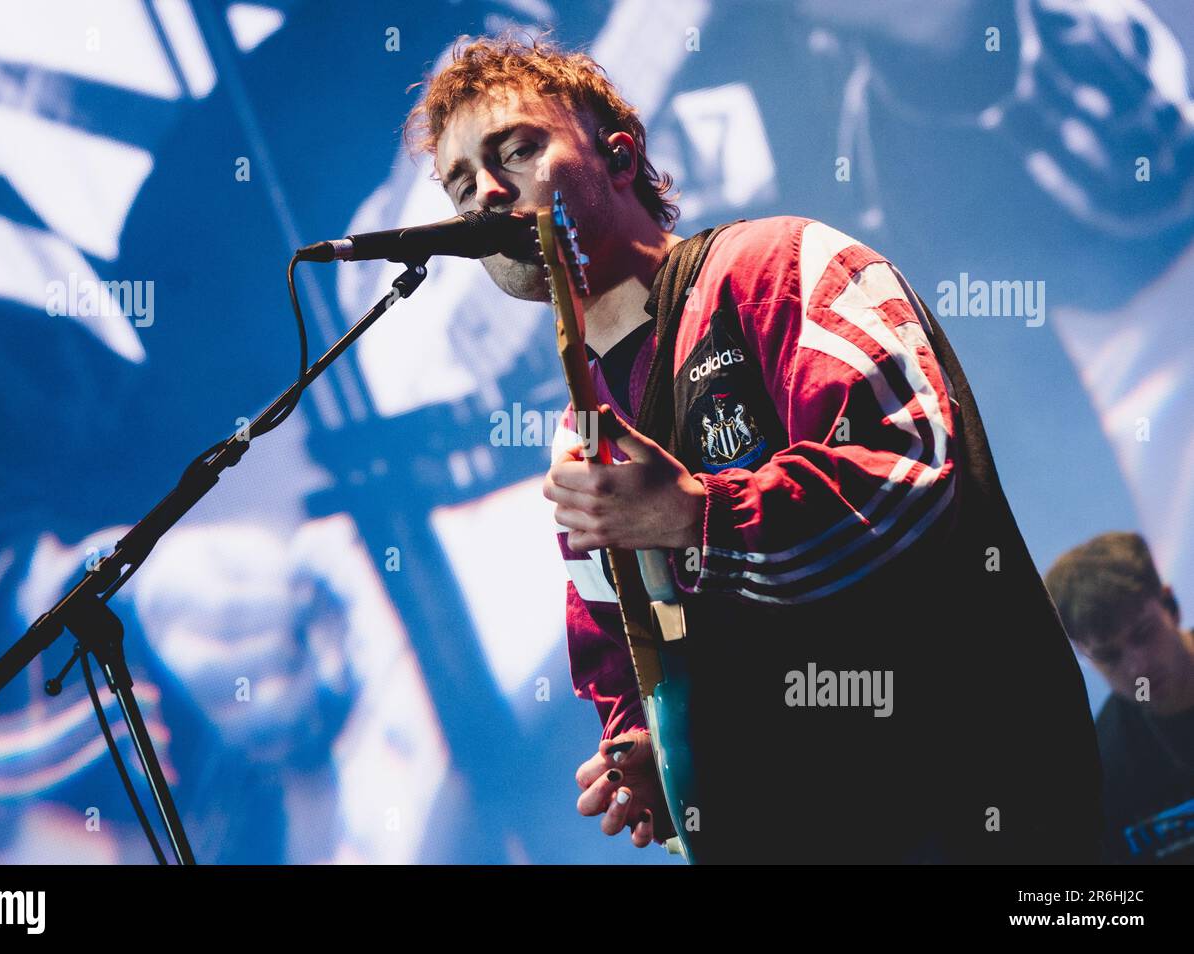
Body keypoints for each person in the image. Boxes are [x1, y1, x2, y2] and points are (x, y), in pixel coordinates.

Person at [404, 32, 1102, 862]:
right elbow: (623, 654)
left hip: (973, 812)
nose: (486, 193)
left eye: (516, 149)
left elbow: (909, 477)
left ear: (619, 157)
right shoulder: (579, 435)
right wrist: (649, 752)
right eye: (459, 185)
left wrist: (700, 517)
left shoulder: (780, 264)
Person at [1047, 532, 1194, 864]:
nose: (1137, 666)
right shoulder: (1100, 770)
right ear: (1083, 656)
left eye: (1143, 634)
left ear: (1170, 605)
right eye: (1110, 656)